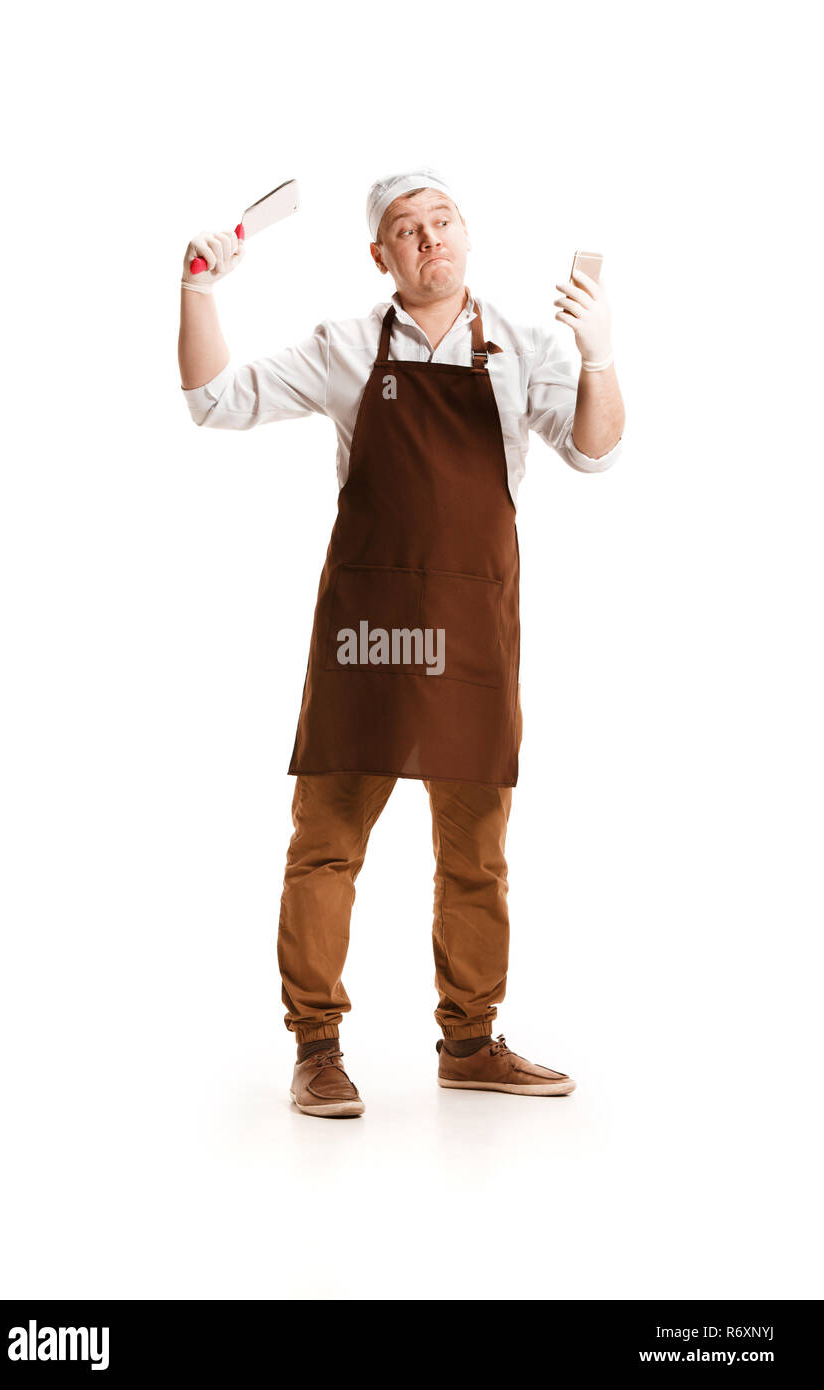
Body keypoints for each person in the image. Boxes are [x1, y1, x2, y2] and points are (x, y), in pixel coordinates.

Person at [178, 167, 625, 1118]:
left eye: (444, 220)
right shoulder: (347, 348)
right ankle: (317, 1047)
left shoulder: (524, 348)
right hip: (372, 635)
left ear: (467, 234)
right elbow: (215, 398)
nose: (431, 240)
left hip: (470, 635)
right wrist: (198, 291)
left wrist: (597, 356)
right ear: (380, 256)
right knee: (328, 845)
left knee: (476, 856)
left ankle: (469, 1041)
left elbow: (594, 451)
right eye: (407, 230)